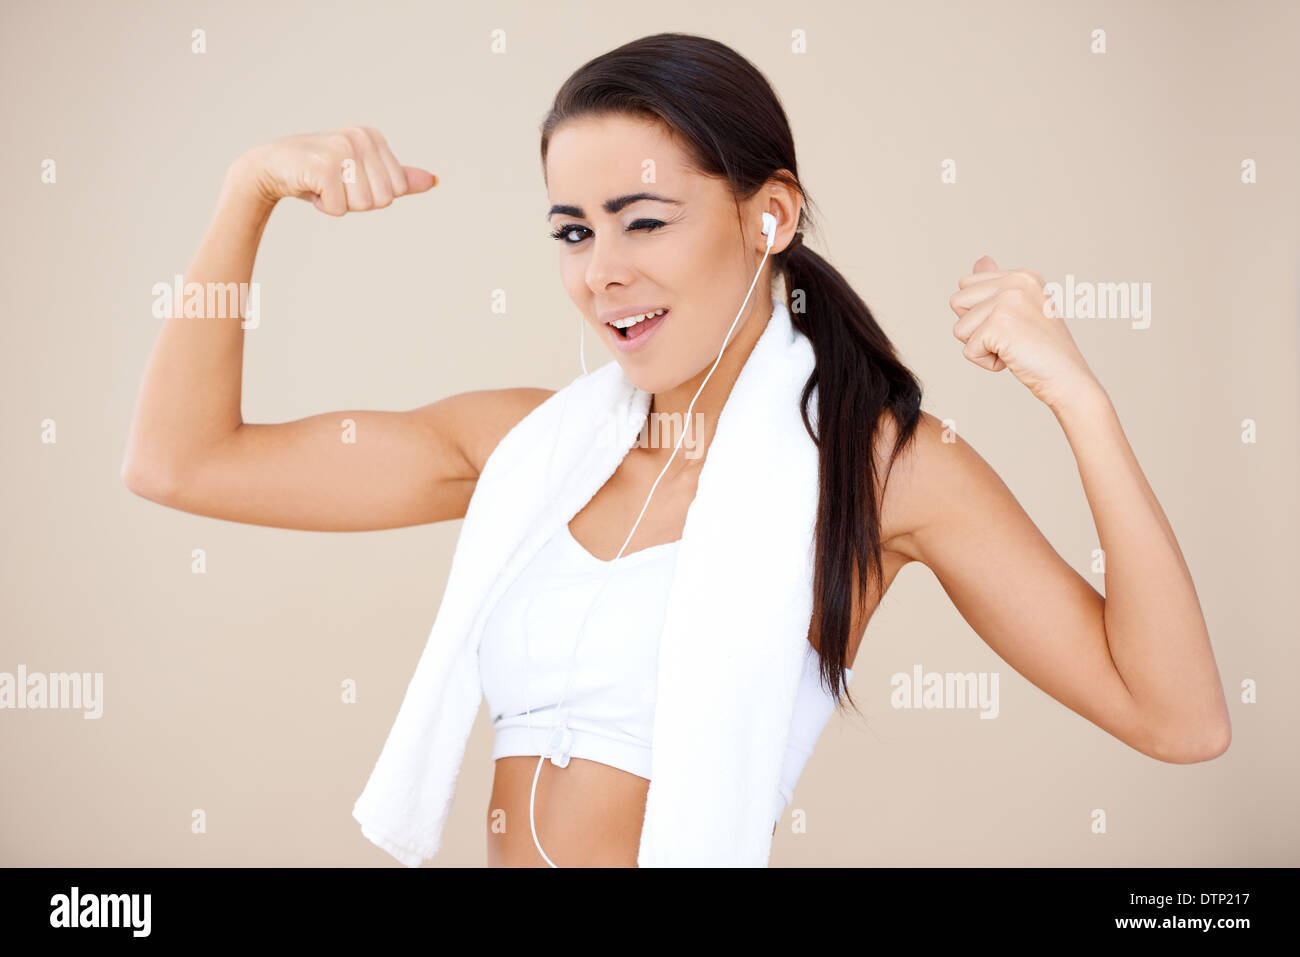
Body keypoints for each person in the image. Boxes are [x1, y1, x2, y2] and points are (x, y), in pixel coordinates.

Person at [121, 32, 1231, 868]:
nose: (601, 269)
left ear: (769, 216)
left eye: (642, 218)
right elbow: (181, 463)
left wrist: (1078, 400)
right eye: (572, 229)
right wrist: (249, 188)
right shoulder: (522, 450)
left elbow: (1176, 718)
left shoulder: (879, 468)